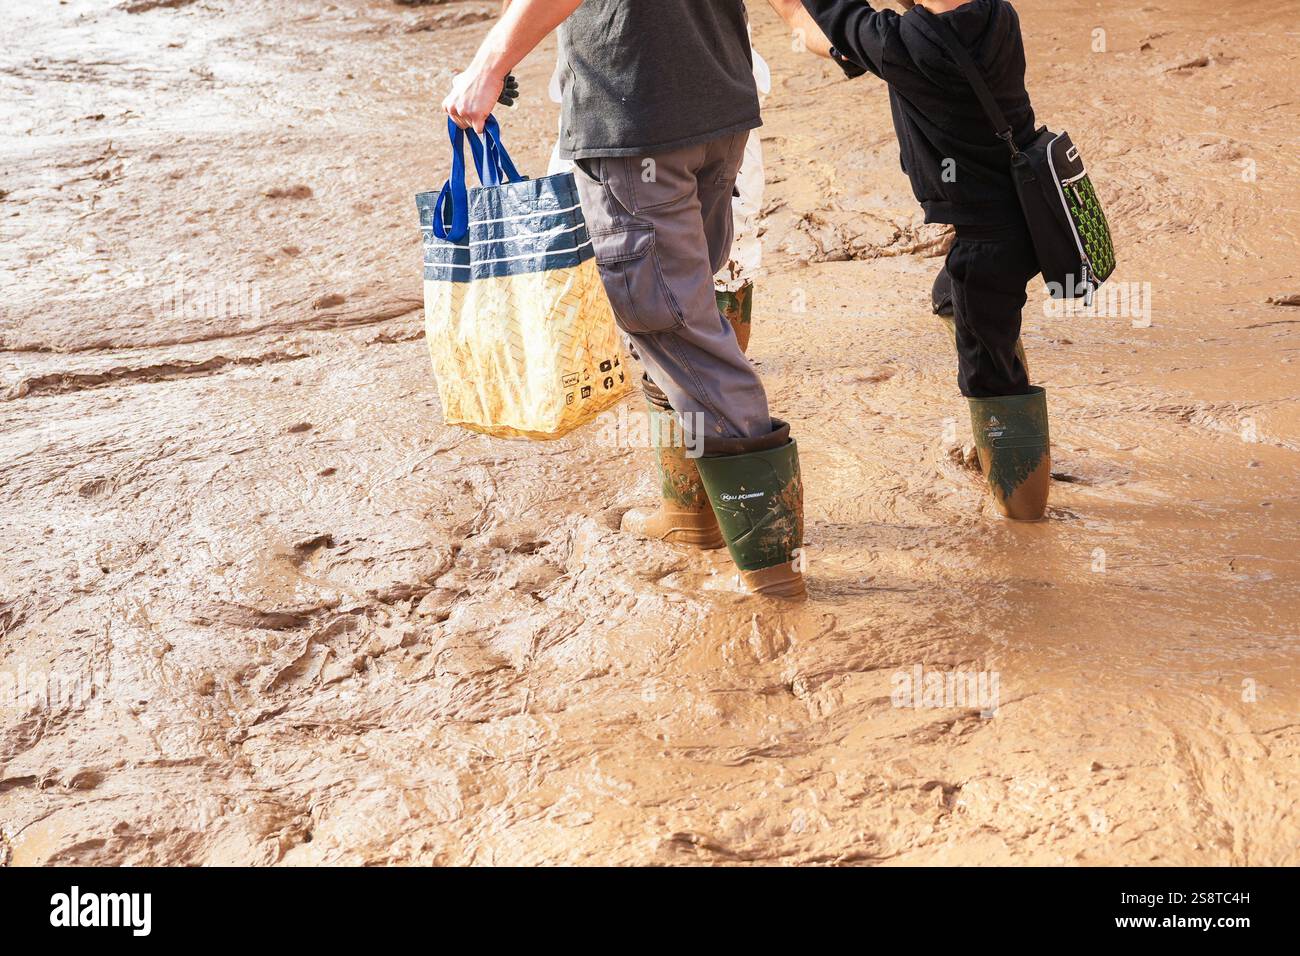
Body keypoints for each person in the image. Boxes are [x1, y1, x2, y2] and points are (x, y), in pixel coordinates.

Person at [443, 1, 813, 597]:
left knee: (673, 325)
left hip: (637, 118)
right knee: (695, 306)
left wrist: (489, 64)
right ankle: (700, 520)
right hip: (720, 105)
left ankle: (773, 575)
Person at [797, 0, 1052, 519]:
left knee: (990, 374)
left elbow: (835, 15)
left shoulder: (906, 44)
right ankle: (1008, 436)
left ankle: (1026, 515)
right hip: (1025, 212)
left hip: (983, 243)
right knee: (952, 302)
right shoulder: (996, 13)